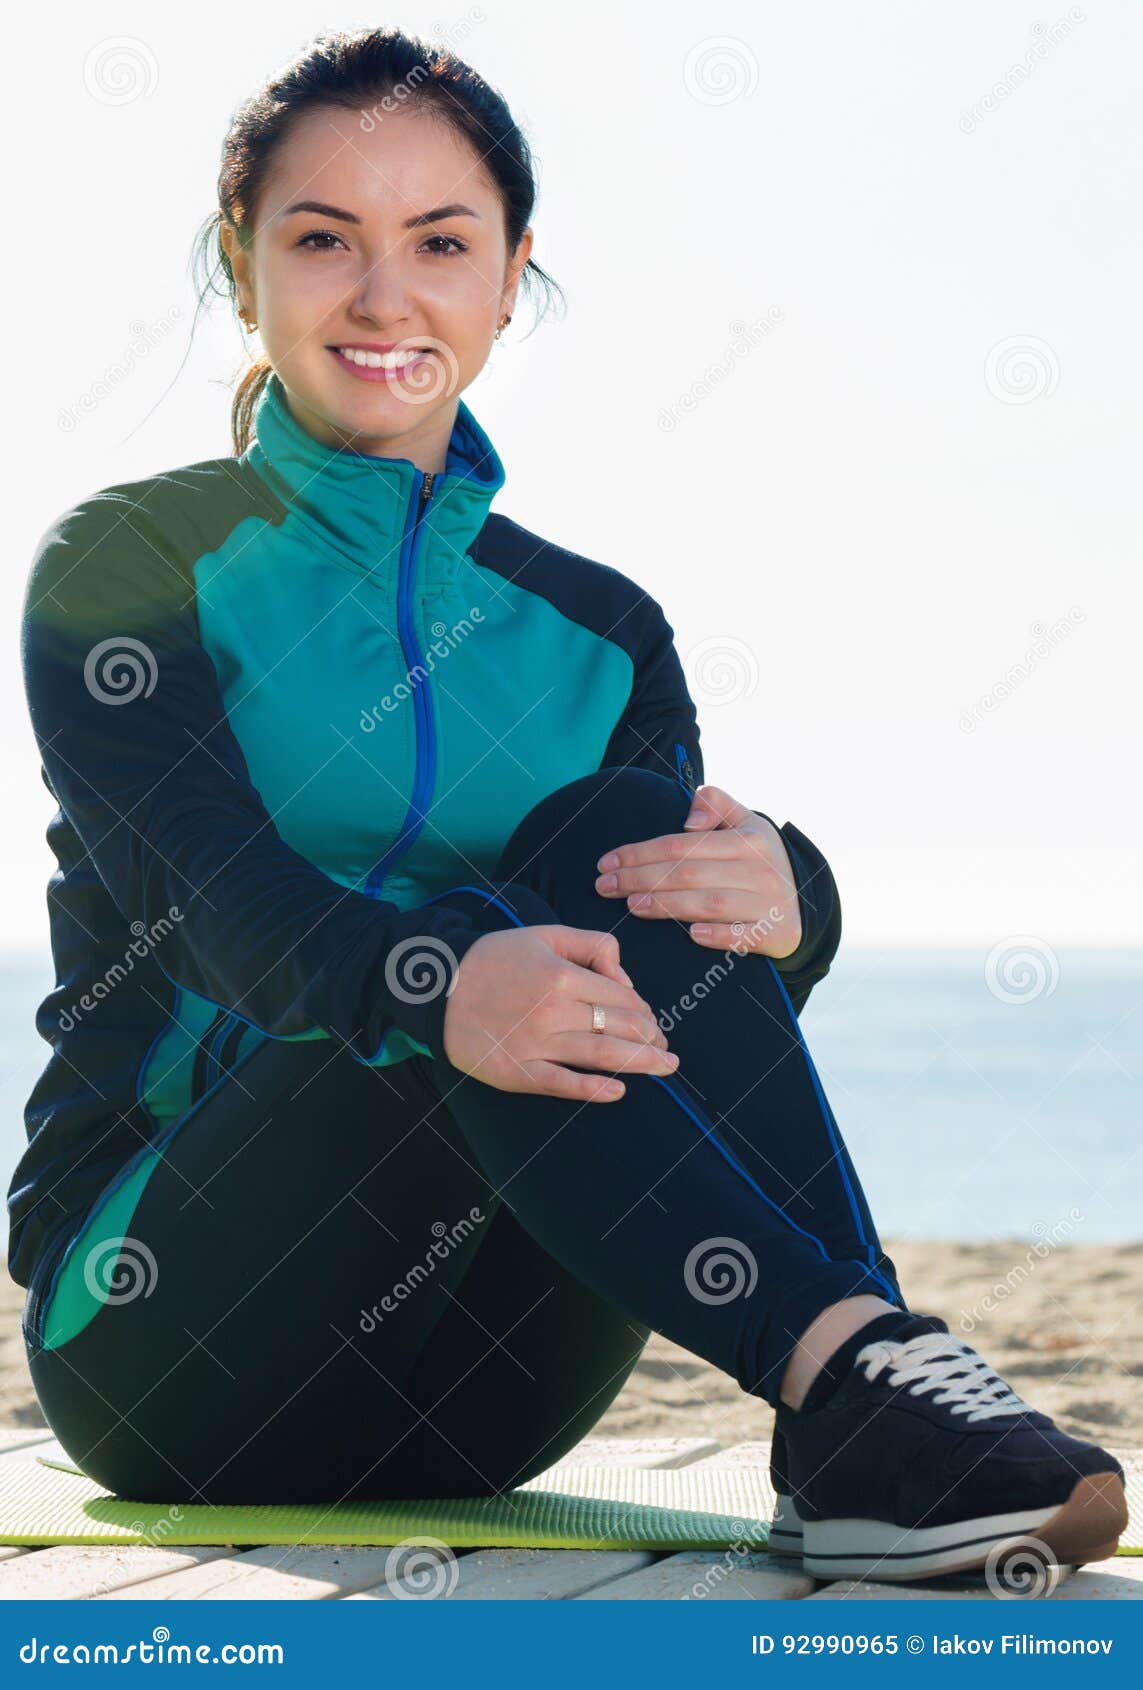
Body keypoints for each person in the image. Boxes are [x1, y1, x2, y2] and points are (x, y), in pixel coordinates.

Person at [7, 26, 1126, 1583]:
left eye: (442, 244)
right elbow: (215, 905)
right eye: (322, 238)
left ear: (513, 276)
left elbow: (694, 999)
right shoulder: (128, 568)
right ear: (239, 263)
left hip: (498, 1372)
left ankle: (846, 1411)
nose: (384, 295)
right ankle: (858, 1359)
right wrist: (447, 975)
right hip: (176, 1331)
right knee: (465, 946)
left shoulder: (601, 630)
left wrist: (799, 902)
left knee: (619, 853)